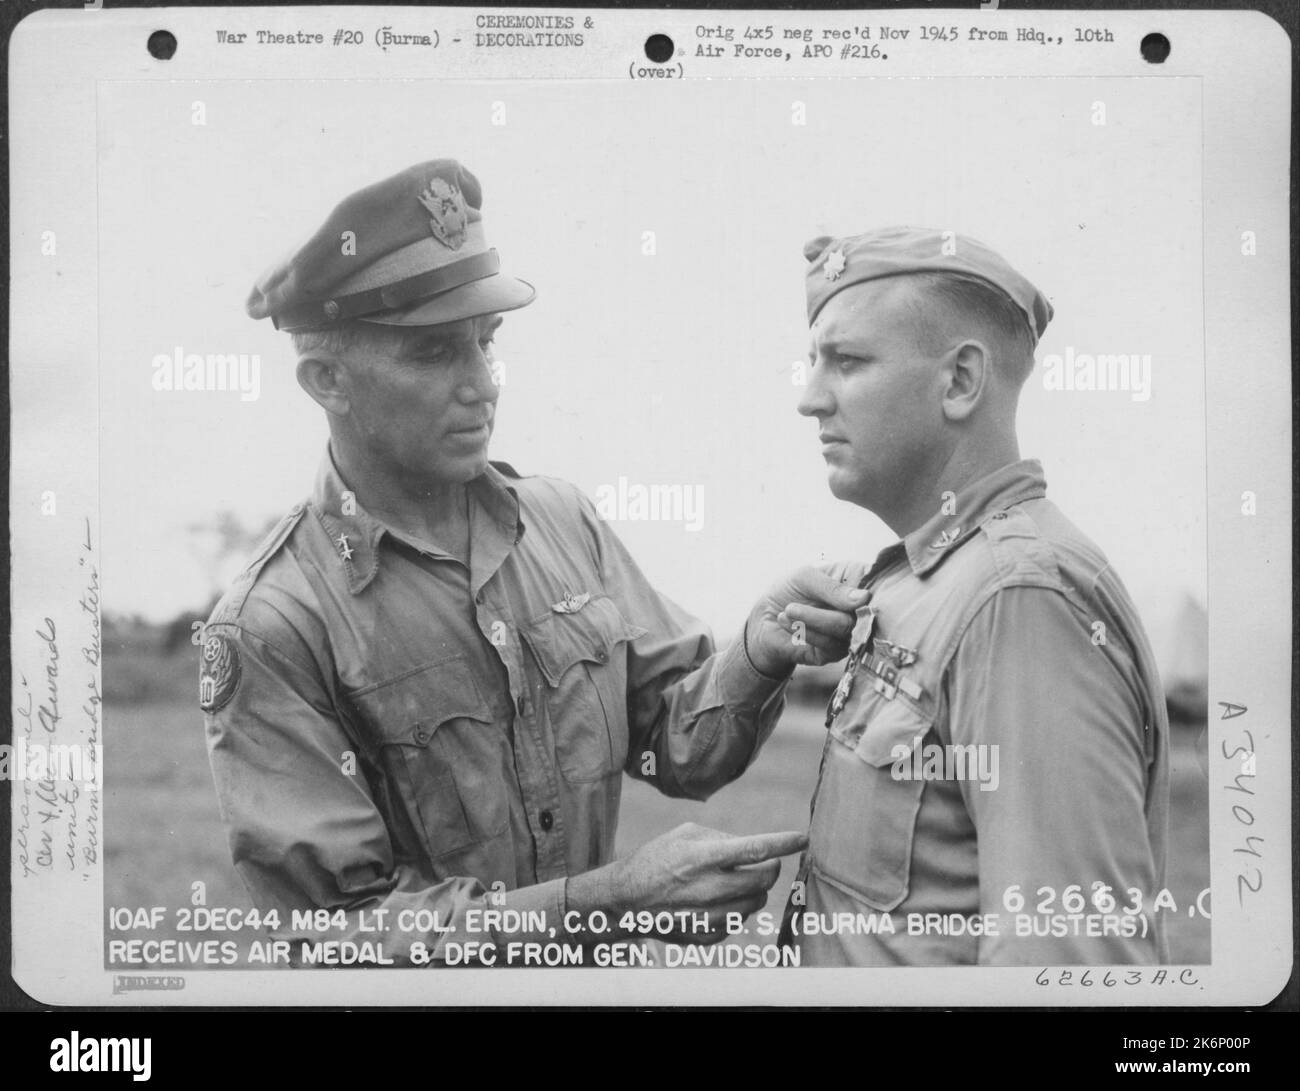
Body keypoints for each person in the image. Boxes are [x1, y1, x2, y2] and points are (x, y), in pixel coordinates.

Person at [200, 158, 866, 966]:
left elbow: (677, 743)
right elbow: (335, 937)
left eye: (486, 342)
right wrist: (606, 905)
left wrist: (761, 648)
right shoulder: (274, 624)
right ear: (327, 380)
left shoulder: (561, 522)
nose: (483, 384)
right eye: (435, 353)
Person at [782, 227, 1170, 965]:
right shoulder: (930, 577)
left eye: (848, 361)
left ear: (960, 381)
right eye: (813, 363)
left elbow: (1067, 967)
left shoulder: (1019, 596)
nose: (809, 399)